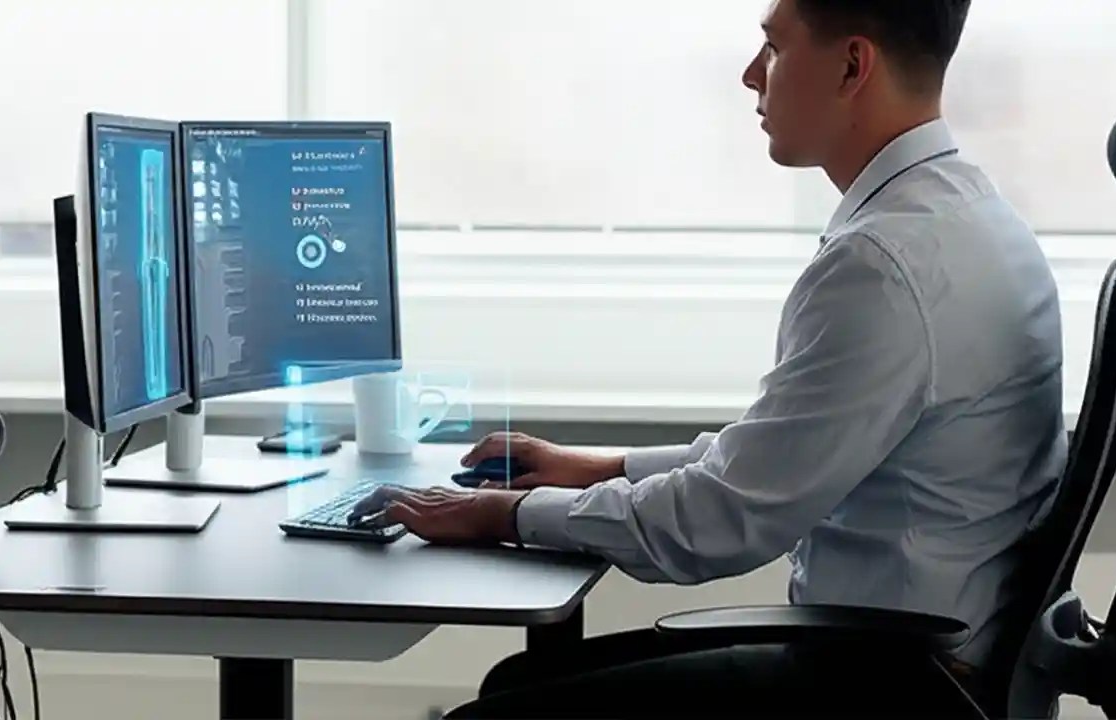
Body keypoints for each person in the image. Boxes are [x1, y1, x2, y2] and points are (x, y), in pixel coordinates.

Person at [353, 0, 1066, 715]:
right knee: (517, 688)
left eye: (775, 49)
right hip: (925, 660)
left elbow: (718, 522)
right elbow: (781, 455)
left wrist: (503, 515)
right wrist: (604, 468)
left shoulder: (885, 266)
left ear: (852, 66)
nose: (751, 75)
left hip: (891, 685)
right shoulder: (969, 218)